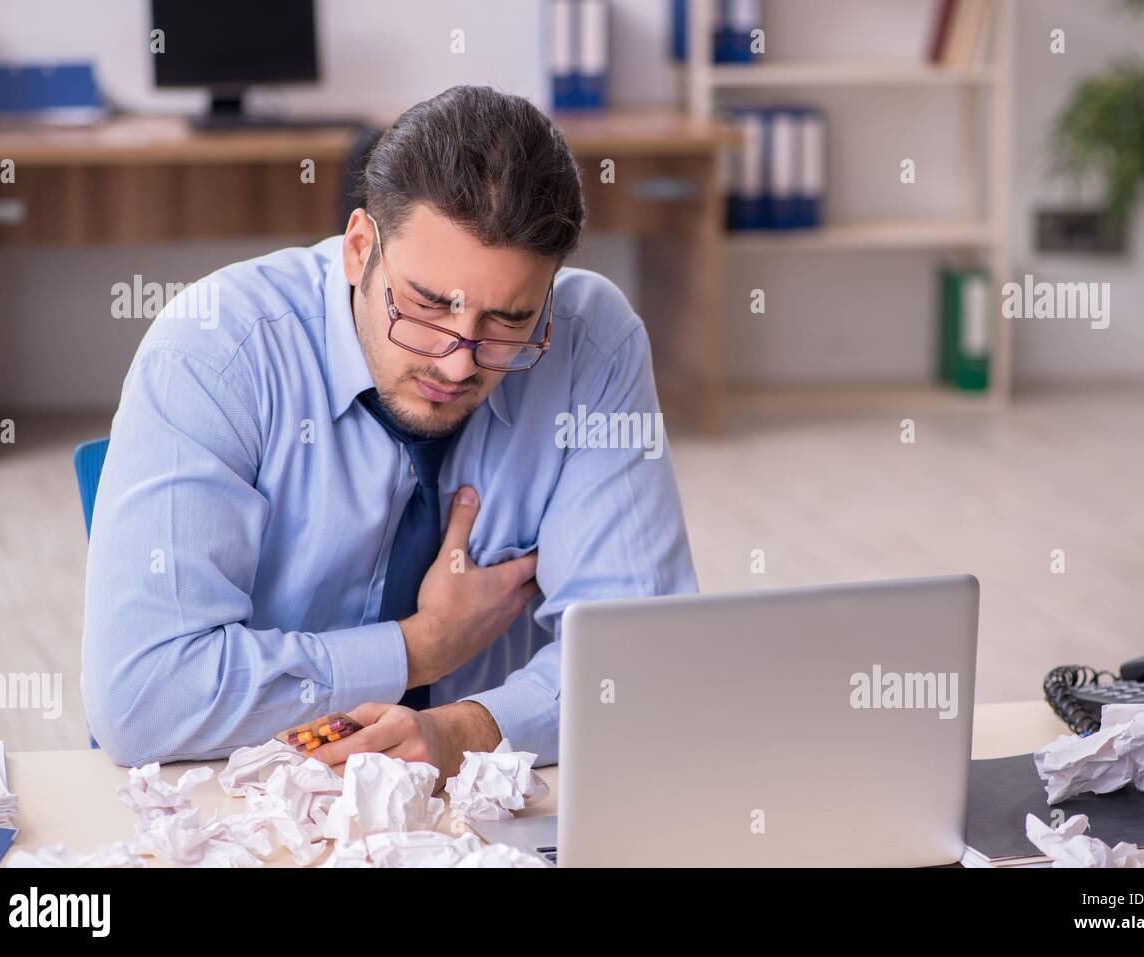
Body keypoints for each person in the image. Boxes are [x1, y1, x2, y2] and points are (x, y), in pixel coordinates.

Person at [81, 85, 697, 778]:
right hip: (243, 799)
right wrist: (422, 647)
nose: (458, 362)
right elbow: (140, 699)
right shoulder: (214, 351)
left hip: (485, 808)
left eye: (509, 322)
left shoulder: (592, 345)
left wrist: (461, 731)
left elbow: (643, 665)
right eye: (427, 307)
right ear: (358, 249)